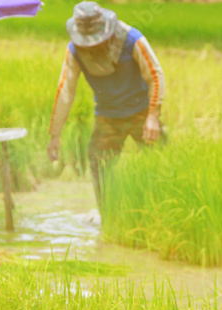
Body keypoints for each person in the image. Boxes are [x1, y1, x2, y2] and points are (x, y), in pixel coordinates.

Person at [46, 1, 165, 204]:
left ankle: (163, 207)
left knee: (161, 161)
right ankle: (109, 216)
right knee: (99, 163)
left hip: (141, 112)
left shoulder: (130, 39)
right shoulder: (74, 50)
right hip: (107, 116)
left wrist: (153, 115)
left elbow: (155, 75)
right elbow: (65, 90)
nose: (91, 46)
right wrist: (55, 135)